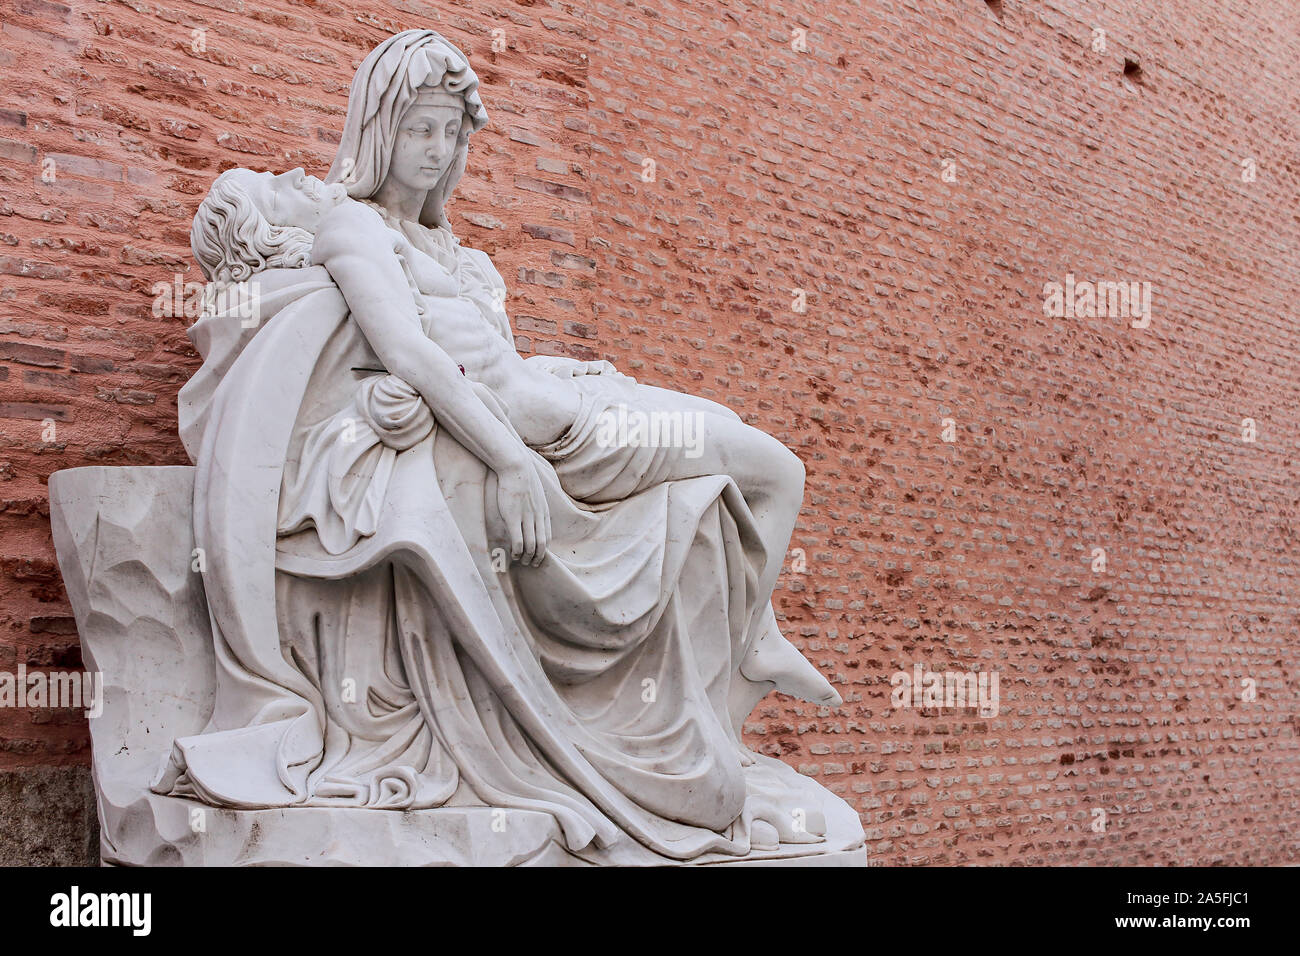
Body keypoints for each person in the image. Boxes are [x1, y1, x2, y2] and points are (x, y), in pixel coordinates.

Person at [157, 29, 856, 863]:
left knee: (765, 459)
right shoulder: (353, 233)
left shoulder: (457, 251)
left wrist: (575, 369)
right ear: (380, 130)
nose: (437, 148)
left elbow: (493, 361)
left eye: (451, 132)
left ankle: (751, 641)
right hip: (563, 441)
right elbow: (412, 352)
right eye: (419, 127)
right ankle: (746, 656)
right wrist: (511, 459)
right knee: (772, 469)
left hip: (580, 407)